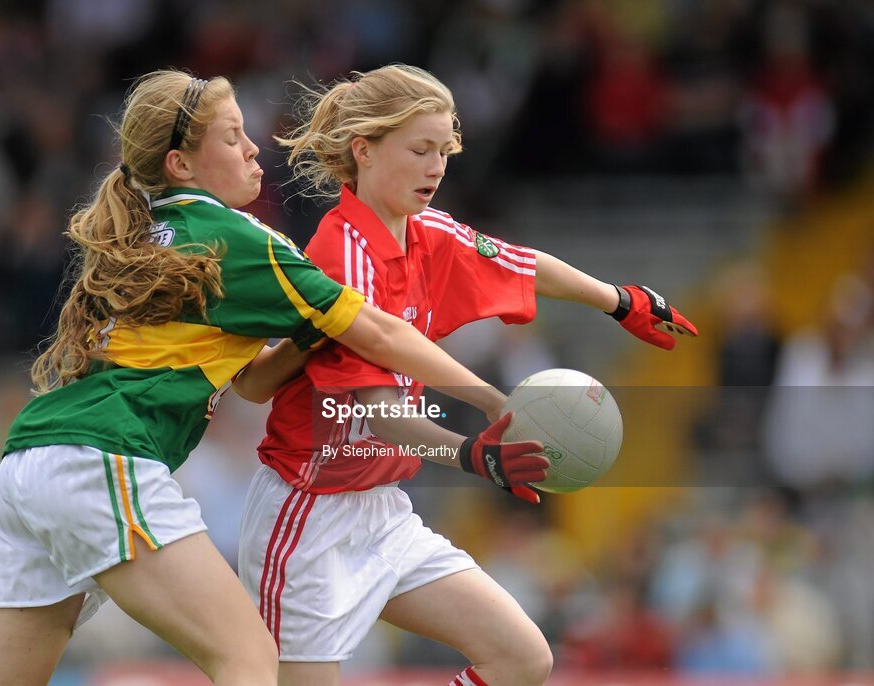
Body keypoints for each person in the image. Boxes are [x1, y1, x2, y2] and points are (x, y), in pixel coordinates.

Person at [0, 69, 525, 686]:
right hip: (104, 458)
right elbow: (384, 334)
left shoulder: (140, 232)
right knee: (248, 660)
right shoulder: (237, 235)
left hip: (27, 464)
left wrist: (307, 338)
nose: (254, 149)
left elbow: (252, 379)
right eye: (233, 138)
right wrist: (488, 395)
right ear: (181, 164)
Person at [235, 65, 697, 686]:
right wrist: (473, 456)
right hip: (306, 518)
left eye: (445, 152)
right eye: (420, 150)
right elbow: (371, 406)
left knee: (522, 658)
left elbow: (524, 265)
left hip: (383, 512)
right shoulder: (339, 253)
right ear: (363, 151)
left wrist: (618, 300)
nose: (436, 167)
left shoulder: (429, 234)